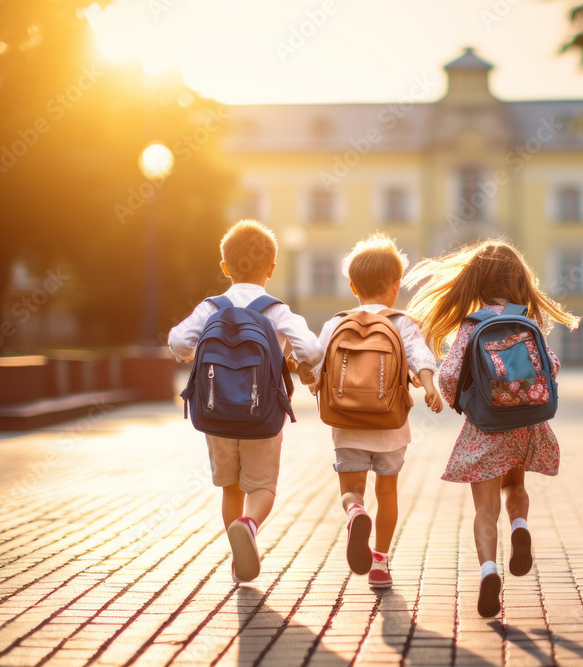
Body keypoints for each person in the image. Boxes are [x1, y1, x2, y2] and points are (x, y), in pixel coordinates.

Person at [403, 240, 580, 617]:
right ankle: (520, 526)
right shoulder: (526, 321)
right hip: (526, 426)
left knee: (484, 510)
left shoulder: (473, 325)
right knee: (515, 487)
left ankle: (489, 572)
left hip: (485, 427)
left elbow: (449, 376)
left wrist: (464, 402)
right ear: (519, 281)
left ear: (476, 283)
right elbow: (552, 366)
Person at [169, 220, 323, 584]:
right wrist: (295, 358)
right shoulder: (276, 310)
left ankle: (238, 559)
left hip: (216, 414)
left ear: (225, 267)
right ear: (271, 269)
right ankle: (249, 525)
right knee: (263, 487)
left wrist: (193, 354)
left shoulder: (211, 307)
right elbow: (312, 349)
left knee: (231, 488)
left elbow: (177, 342)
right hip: (263, 416)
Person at [312, 233, 443, 588]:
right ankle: (380, 563)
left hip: (346, 424)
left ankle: (355, 511)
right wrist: (429, 385)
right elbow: (419, 355)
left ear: (353, 286)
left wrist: (310, 380)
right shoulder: (401, 322)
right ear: (396, 286)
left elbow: (315, 364)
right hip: (390, 427)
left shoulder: (335, 323)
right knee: (387, 493)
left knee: (351, 490)